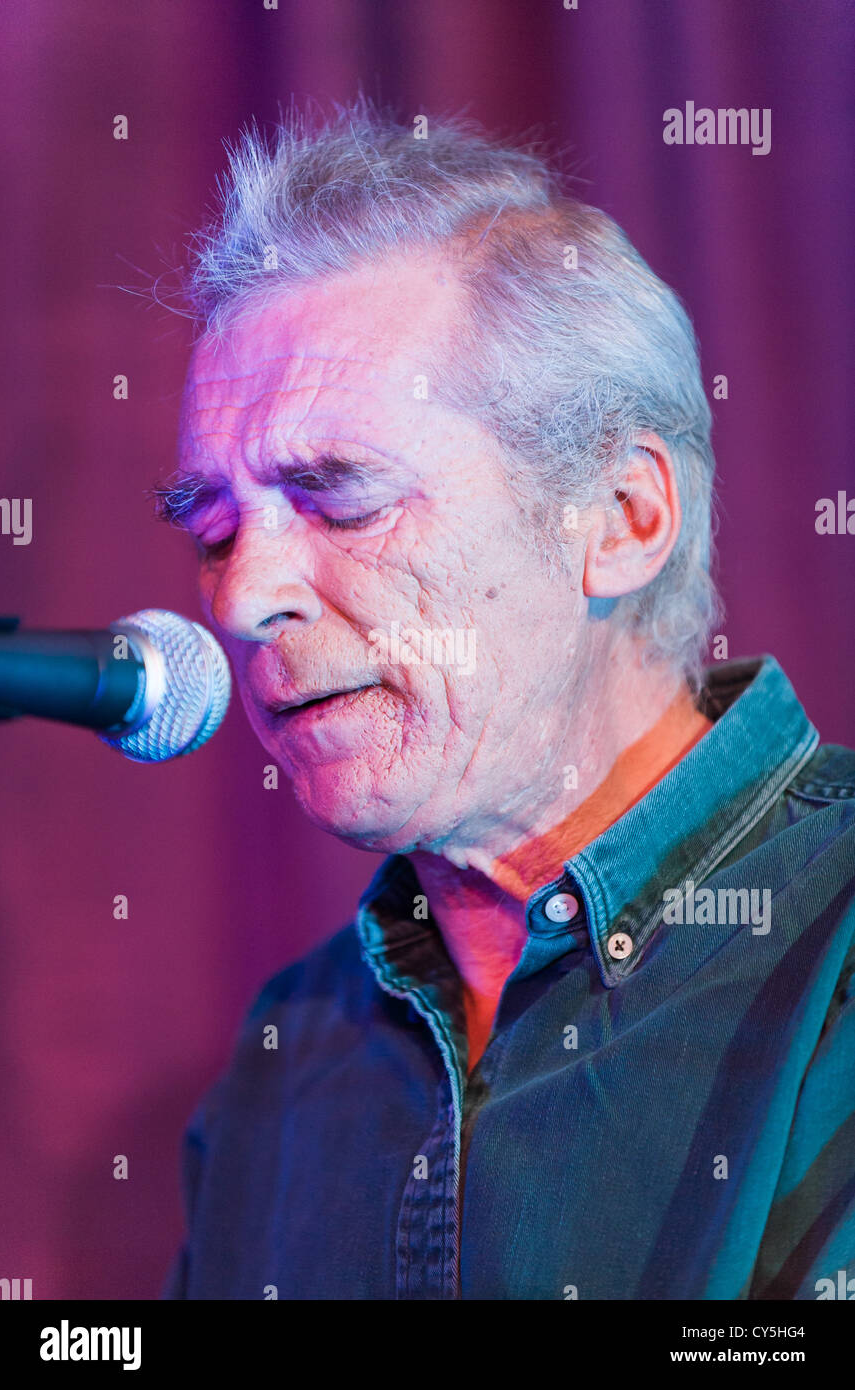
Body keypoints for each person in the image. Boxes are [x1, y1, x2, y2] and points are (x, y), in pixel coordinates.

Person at [158, 101, 855, 1300]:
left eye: (342, 499)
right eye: (214, 527)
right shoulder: (291, 1051)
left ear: (622, 522)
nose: (244, 599)